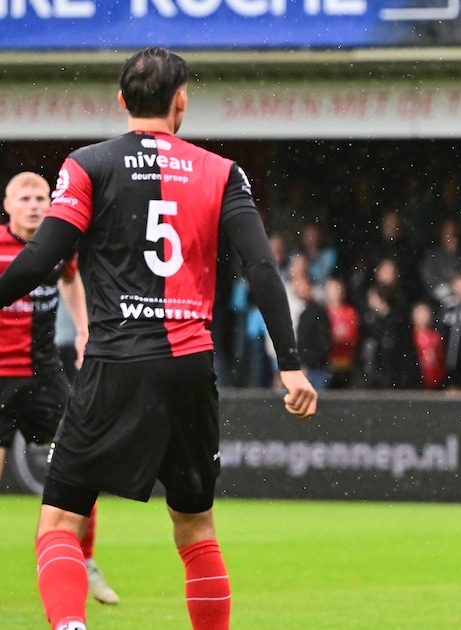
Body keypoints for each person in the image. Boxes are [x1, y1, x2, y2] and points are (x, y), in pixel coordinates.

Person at [0, 47, 317, 630]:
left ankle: (70, 626)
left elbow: (41, 257)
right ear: (181, 101)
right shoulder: (223, 172)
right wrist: (290, 363)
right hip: (190, 367)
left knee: (60, 524)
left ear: (122, 101)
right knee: (196, 530)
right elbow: (262, 269)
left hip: (115, 363)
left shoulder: (88, 165)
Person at [0, 172, 120, 606]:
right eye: (25, 197)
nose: (34, 204)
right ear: (7, 204)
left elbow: (71, 278)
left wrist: (85, 329)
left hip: (43, 375)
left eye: (41, 197)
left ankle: (83, 559)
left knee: (82, 461)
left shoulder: (58, 245)